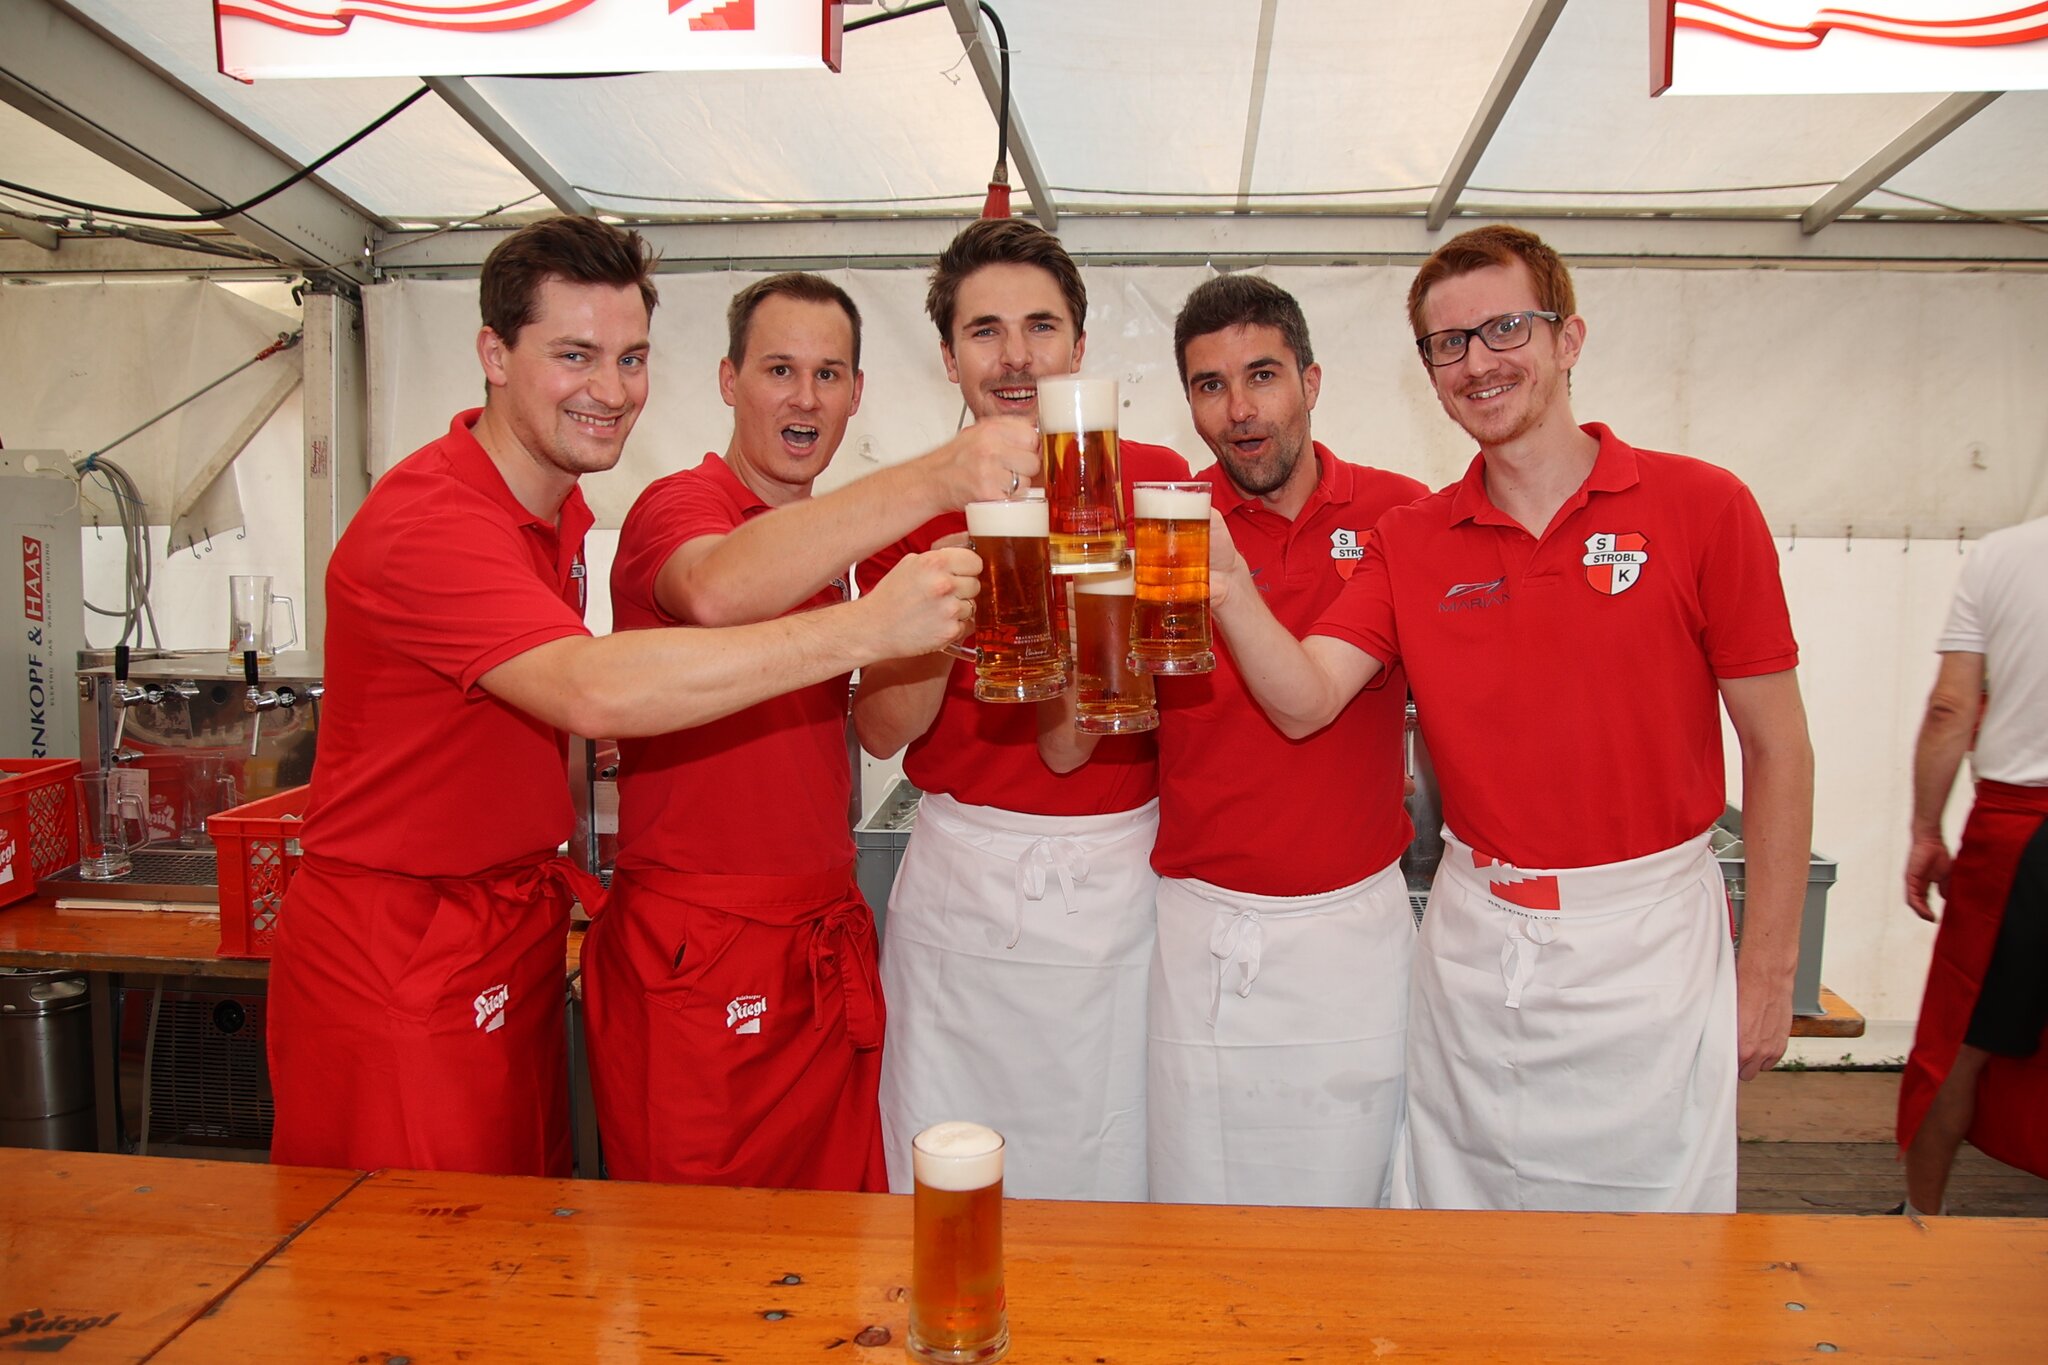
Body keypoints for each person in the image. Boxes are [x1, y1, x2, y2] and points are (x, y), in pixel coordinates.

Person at [267, 218, 981, 1178]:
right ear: (492, 353)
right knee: (413, 1279)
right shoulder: (435, 517)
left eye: (630, 357)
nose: (609, 389)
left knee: (525, 1270)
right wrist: (888, 585)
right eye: (574, 355)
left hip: (517, 932)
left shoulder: (554, 514)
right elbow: (595, 684)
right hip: (403, 950)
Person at [1208, 225, 1814, 1213]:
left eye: (1504, 329)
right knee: (1462, 1241)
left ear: (1566, 338)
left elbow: (1777, 748)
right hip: (1476, 941)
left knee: (1646, 1264)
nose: (1477, 362)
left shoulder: (1701, 506)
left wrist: (1768, 969)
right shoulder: (1411, 540)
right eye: (1447, 344)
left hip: (1648, 945)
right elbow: (1307, 697)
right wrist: (1225, 587)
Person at [584, 272, 1037, 1190]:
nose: (805, 397)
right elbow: (716, 590)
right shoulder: (681, 504)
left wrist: (952, 608)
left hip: (822, 938)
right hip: (701, 946)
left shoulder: (832, 548)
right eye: (779, 369)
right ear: (727, 380)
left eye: (830, 375)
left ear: (858, 394)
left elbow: (879, 735)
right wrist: (936, 476)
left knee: (835, 1247)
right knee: (702, 1254)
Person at [1044, 275, 1429, 1206]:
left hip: (1355, 933)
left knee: (1354, 1211)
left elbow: (1395, 705)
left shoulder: (1400, 513)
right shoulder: (1157, 528)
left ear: (1312, 379)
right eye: (1210, 385)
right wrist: (1075, 622)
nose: (1240, 409)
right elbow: (1066, 749)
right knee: (1197, 1215)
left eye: (1263, 375)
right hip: (1203, 931)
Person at [853, 219, 1192, 1200]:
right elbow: (882, 732)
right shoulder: (907, 510)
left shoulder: (1154, 485)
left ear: (1078, 348)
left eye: (1040, 327)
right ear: (949, 356)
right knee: (949, 1157)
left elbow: (1170, 701)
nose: (1014, 355)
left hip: (1120, 878)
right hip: (967, 883)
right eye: (984, 331)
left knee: (1114, 1151)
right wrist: (949, 601)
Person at [1897, 513, 2048, 1214]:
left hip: (2019, 829)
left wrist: (1926, 830)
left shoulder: (2006, 555)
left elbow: (1951, 706)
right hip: (2018, 824)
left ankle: (1921, 1218)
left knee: (1958, 1039)